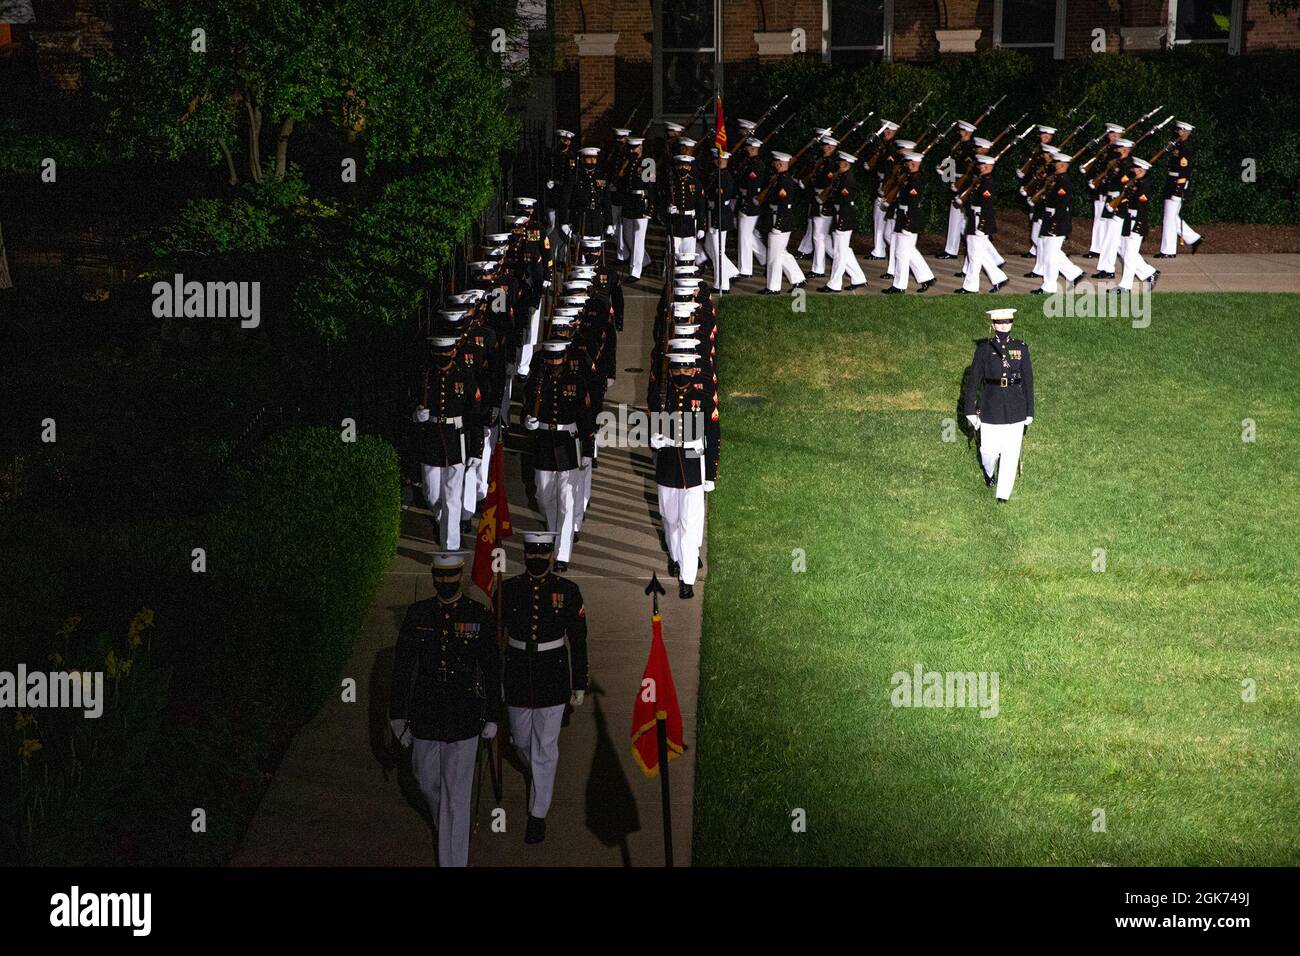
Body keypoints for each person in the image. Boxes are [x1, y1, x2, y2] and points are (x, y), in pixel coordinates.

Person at [388, 551, 500, 867]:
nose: (445, 582)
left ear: (460, 576)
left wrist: (493, 714)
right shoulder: (418, 614)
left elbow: (491, 667)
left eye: (451, 577)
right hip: (426, 708)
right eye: (440, 577)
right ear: (434, 577)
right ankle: (446, 822)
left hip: (463, 711)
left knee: (458, 797)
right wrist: (397, 715)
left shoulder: (478, 615)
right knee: (424, 779)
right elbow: (402, 668)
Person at [502, 531, 589, 844]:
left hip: (552, 674)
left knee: (545, 748)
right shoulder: (509, 589)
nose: (537, 559)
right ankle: (538, 775)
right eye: (531, 554)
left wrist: (579, 681)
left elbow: (578, 640)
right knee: (521, 741)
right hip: (517, 674)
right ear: (524, 555)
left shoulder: (567, 591)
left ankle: (538, 813)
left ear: (552, 555)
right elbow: (494, 636)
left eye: (542, 554)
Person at [650, 352, 719, 599]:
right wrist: (652, 439)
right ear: (671, 371)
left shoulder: (702, 397)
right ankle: (675, 556)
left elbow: (713, 434)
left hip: (692, 464)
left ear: (693, 371)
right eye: (677, 370)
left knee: (689, 525)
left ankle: (686, 579)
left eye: (686, 370)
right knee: (669, 519)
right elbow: (650, 421)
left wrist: (710, 473)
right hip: (668, 463)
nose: (682, 375)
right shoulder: (662, 395)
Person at [521, 339, 593, 571]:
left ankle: (562, 554)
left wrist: (588, 450)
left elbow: (586, 417)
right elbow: (526, 407)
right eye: (549, 359)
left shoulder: (576, 382)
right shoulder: (536, 382)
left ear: (564, 357)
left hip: (567, 445)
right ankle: (555, 530)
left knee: (567, 501)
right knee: (543, 496)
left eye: (557, 358)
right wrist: (528, 421)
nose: (553, 363)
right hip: (543, 444)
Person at [413, 336, 481, 550]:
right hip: (431, 439)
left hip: (455, 439)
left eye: (446, 352)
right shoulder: (426, 376)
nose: (441, 357)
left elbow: (474, 415)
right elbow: (408, 402)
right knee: (431, 494)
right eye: (437, 353)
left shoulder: (465, 376)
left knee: (452, 497)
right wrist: (416, 415)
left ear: (453, 352)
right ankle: (444, 522)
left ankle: (450, 548)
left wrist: (476, 450)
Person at [962, 308, 1034, 504]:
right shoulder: (984, 350)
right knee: (988, 451)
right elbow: (974, 382)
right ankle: (988, 471)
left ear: (1012, 324)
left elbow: (1028, 381)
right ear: (993, 325)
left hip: (1015, 408)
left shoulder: (1021, 348)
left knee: (1011, 453)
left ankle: (1003, 494)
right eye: (1000, 323)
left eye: (1008, 322)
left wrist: (1029, 411)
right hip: (990, 407)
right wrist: (970, 410)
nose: (1004, 326)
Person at [882, 150, 934, 294]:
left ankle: (899, 286)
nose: (906, 165)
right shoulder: (909, 178)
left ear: (913, 164)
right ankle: (927, 277)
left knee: (901, 253)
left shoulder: (915, 181)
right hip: (902, 216)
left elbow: (913, 204)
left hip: (909, 218)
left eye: (908, 162)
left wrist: (907, 223)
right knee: (908, 251)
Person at [954, 154, 1008, 294]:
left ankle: (970, 286)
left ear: (991, 167)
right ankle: (999, 278)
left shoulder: (987, 183)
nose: (982, 168)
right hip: (974, 218)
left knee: (974, 256)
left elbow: (987, 207)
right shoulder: (980, 181)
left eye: (986, 166)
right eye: (981, 165)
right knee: (978, 253)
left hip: (980, 220)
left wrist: (982, 225)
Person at [1032, 151, 1084, 294]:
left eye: (1062, 164)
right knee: (1051, 253)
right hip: (1050, 218)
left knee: (1050, 256)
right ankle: (1074, 273)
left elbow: (1061, 205)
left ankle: (1049, 286)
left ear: (1067, 166)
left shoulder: (1064, 182)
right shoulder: (1054, 179)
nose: (1059, 166)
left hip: (1057, 221)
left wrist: (1054, 225)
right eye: (1057, 164)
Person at [819, 150, 868, 293]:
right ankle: (858, 277)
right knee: (844, 251)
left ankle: (834, 284)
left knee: (840, 253)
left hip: (844, 217)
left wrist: (840, 222)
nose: (838, 164)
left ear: (846, 164)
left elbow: (845, 203)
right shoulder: (841, 178)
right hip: (840, 215)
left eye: (840, 163)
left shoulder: (847, 181)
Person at [759, 151, 806, 295]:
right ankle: (798, 279)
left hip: (780, 221)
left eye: (775, 163)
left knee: (774, 256)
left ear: (779, 164)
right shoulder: (780, 179)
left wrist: (777, 225)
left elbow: (784, 206)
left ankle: (773, 287)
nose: (773, 165)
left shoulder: (784, 181)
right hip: (778, 219)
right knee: (780, 253)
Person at [1156, 121, 1203, 258]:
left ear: (1187, 132)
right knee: (1171, 217)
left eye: (1182, 130)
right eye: (1179, 130)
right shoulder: (1177, 146)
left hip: (1177, 183)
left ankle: (1168, 251)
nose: (1179, 132)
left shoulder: (1186, 148)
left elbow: (1185, 170)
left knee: (1169, 218)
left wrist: (1179, 189)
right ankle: (1194, 239)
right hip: (1171, 182)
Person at [1114, 158, 1160, 292]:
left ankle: (1125, 286)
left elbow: (1142, 206)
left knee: (1129, 255)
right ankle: (1150, 273)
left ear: (1143, 170)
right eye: (1135, 168)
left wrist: (1129, 195)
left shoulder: (1144, 185)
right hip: (1128, 220)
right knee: (1123, 250)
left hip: (1137, 221)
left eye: (1139, 169)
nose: (1135, 170)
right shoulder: (1133, 182)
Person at [939, 121, 979, 260]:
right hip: (956, 182)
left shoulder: (973, 149)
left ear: (967, 132)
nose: (959, 134)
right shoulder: (958, 146)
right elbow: (952, 163)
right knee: (956, 218)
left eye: (961, 132)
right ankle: (951, 249)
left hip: (965, 184)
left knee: (966, 219)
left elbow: (969, 170)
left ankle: (952, 250)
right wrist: (944, 171)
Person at [733, 137, 767, 278]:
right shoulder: (749, 163)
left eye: (748, 148)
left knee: (744, 237)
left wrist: (747, 203)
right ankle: (765, 258)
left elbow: (754, 187)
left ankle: (746, 269)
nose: (746, 150)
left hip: (750, 203)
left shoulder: (756, 165)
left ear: (753, 149)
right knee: (747, 236)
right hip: (745, 200)